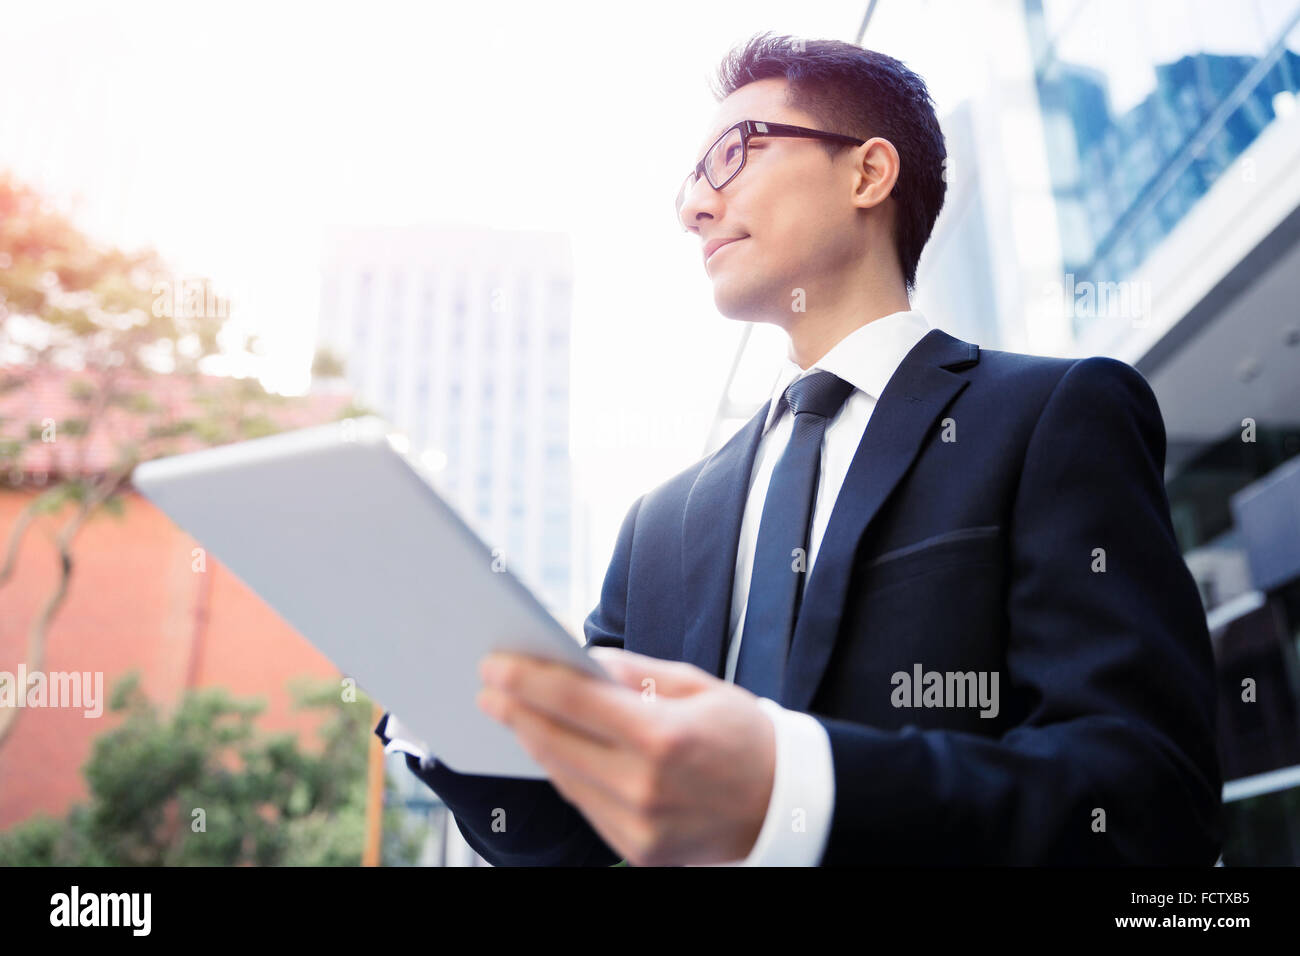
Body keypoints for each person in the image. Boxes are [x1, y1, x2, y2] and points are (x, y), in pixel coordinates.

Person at [376, 32, 1223, 866]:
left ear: (867, 172)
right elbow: (573, 840)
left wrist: (796, 788)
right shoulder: (660, 525)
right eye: (691, 180)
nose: (692, 207)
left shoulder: (1051, 415)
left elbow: (1145, 799)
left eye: (733, 155)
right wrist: (445, 709)